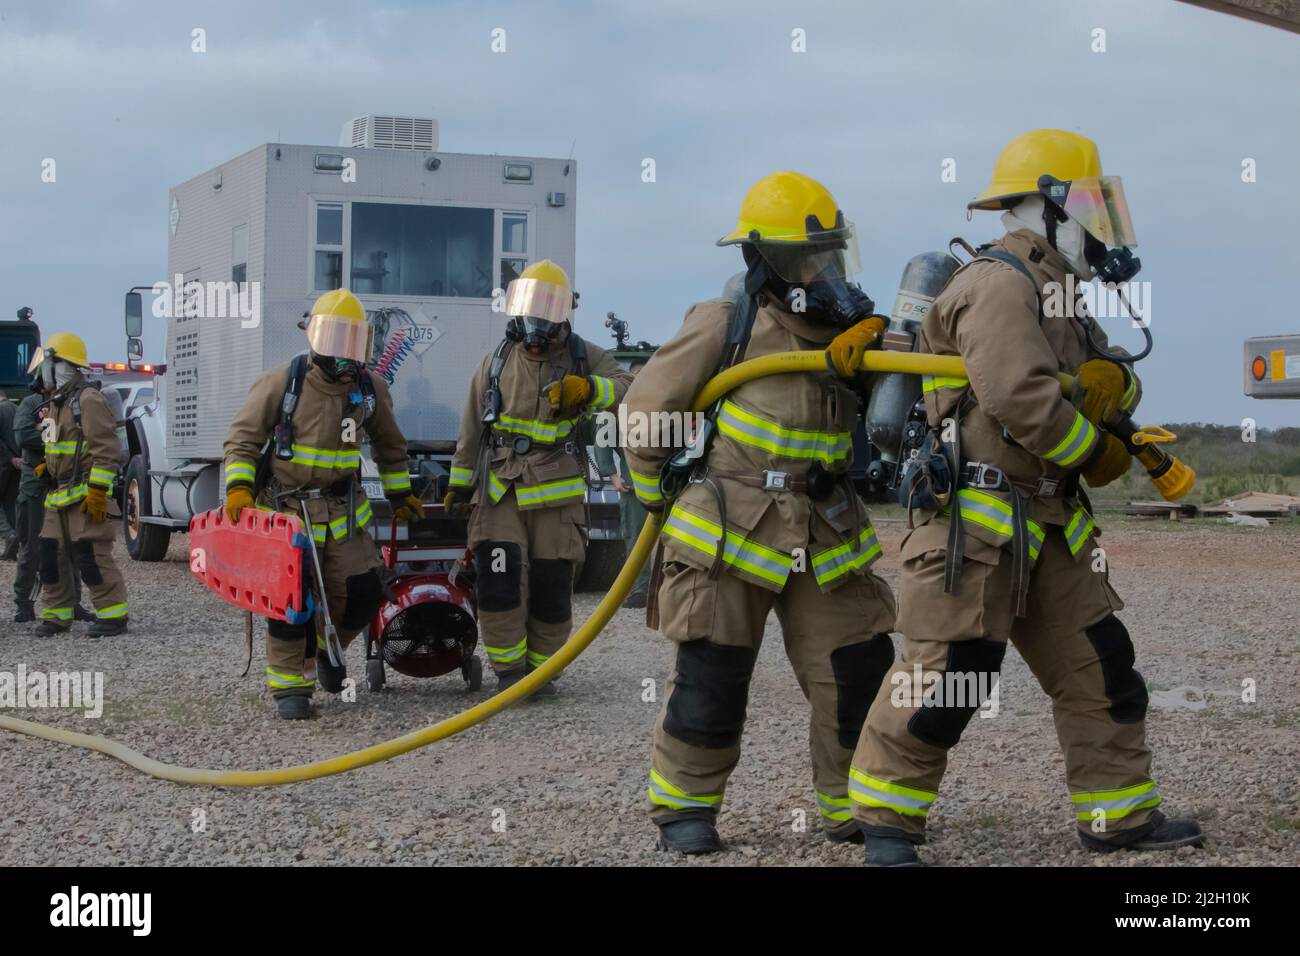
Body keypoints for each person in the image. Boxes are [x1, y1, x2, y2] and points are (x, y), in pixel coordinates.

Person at [848, 129, 1203, 866]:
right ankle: (886, 822)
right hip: (974, 530)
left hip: (1048, 526)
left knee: (1101, 664)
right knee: (951, 678)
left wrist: (1117, 391)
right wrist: (1099, 451)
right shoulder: (999, 284)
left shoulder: (1062, 294)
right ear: (1048, 208)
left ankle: (1119, 816)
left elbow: (1111, 376)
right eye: (1089, 210)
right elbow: (1020, 399)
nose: (1103, 230)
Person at [622, 171, 898, 854]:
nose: (825, 269)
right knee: (713, 678)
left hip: (827, 527)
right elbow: (645, 417)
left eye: (831, 254)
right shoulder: (726, 324)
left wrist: (881, 360)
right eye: (811, 257)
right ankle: (684, 811)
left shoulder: (851, 334)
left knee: (857, 670)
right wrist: (657, 492)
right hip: (730, 531)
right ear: (769, 261)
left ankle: (854, 807)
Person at [223, 289, 421, 720]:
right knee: (290, 600)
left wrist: (400, 494)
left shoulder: (371, 389)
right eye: (335, 338)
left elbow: (391, 445)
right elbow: (242, 440)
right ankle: (292, 687)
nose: (344, 353)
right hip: (287, 512)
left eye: (352, 341)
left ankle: (329, 648)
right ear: (313, 336)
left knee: (364, 593)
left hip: (343, 512)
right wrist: (238, 488)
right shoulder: (283, 383)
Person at [445, 260, 632, 692]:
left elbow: (632, 385)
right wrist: (459, 484)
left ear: (564, 316)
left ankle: (543, 671)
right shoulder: (495, 363)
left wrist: (591, 390)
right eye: (528, 314)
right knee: (500, 577)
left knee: (552, 584)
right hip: (501, 491)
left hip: (557, 494)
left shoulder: (586, 357)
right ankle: (509, 672)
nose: (535, 329)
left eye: (546, 317)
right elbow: (472, 428)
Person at [32, 333, 128, 637]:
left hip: (86, 496)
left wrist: (98, 492)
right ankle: (57, 616)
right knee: (49, 555)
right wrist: (46, 469)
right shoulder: (57, 402)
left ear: (62, 365)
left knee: (92, 558)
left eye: (47, 364)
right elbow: (56, 446)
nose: (41, 371)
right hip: (59, 496)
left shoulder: (88, 400)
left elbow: (106, 449)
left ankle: (113, 616)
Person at [592, 359, 651, 608]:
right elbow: (602, 442)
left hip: (664, 484)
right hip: (634, 485)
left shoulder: (662, 403)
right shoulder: (616, 408)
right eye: (635, 376)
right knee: (636, 538)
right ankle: (640, 590)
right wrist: (612, 474)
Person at [0, 388, 19, 558]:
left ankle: (9, 534)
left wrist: (9, 458)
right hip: (17, 465)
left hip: (3, 463)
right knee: (10, 504)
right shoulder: (16, 409)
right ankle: (12, 549)